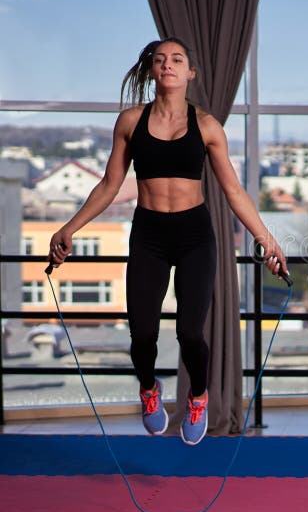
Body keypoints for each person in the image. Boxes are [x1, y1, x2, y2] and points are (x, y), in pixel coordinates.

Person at [48, 37, 288, 446]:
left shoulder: (207, 125)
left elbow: (233, 190)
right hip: (149, 233)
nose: (168, 65)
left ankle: (197, 397)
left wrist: (267, 240)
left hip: (195, 233)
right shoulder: (130, 121)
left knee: (190, 333)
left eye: (177, 59)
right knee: (142, 334)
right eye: (160, 59)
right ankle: (149, 389)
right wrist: (69, 228)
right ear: (153, 70)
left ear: (190, 72)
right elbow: (110, 185)